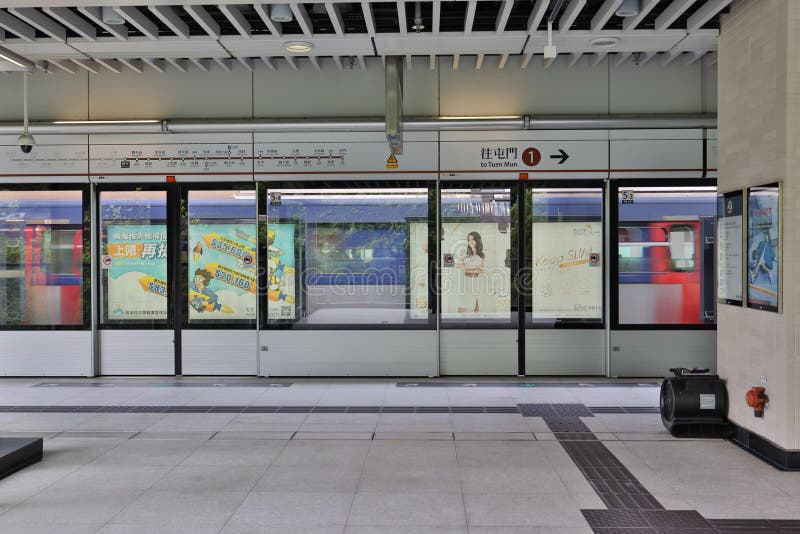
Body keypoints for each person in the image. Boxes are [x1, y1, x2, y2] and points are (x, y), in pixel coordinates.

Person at [456, 231, 487, 313]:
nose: (471, 242)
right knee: (462, 305)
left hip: (476, 281)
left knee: (476, 305)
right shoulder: (465, 253)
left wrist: (467, 267)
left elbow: (482, 270)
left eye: (473, 239)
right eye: (469, 240)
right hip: (465, 281)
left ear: (477, 240)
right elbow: (458, 266)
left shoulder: (482, 255)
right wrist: (473, 268)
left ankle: (475, 323)